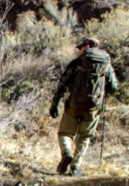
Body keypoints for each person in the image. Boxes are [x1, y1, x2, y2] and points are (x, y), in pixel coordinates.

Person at [50, 37, 118, 176]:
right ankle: (75, 167)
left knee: (65, 133)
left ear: (86, 46)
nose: (79, 50)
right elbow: (113, 87)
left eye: (80, 47)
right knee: (84, 137)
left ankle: (67, 153)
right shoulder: (106, 63)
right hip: (93, 108)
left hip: (73, 106)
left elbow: (62, 84)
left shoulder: (77, 63)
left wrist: (55, 104)